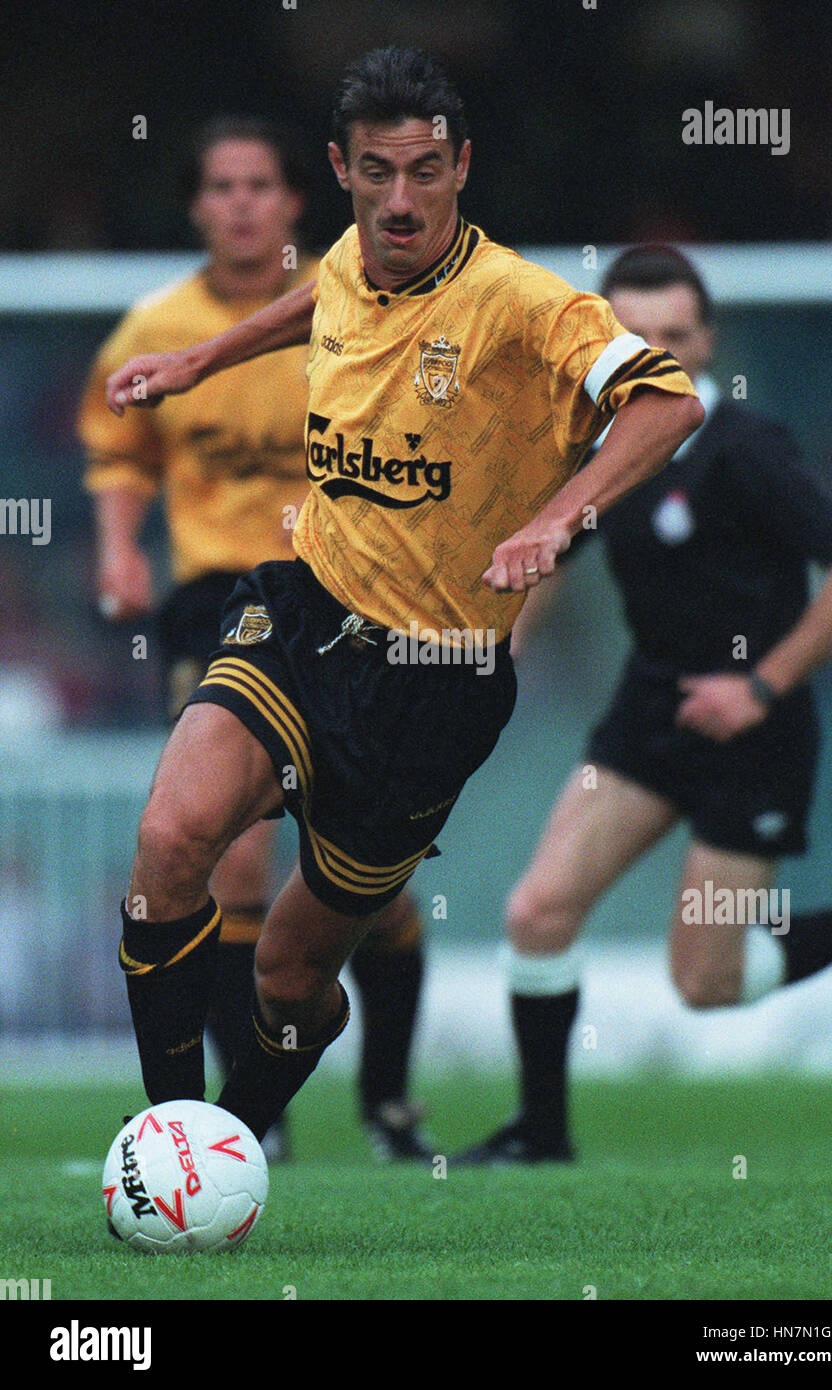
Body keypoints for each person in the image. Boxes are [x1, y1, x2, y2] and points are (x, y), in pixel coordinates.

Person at [102, 49, 702, 1151]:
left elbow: (668, 402)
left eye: (424, 171)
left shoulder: (519, 303)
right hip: (302, 611)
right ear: (339, 168)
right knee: (170, 835)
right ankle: (172, 1134)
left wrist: (553, 516)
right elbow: (311, 301)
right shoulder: (346, 255)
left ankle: (238, 1132)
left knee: (291, 978)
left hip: (432, 687)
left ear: (461, 167)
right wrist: (201, 358)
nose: (398, 199)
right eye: (375, 171)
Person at [456, 244, 832, 1165]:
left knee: (705, 986)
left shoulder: (747, 449)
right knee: (536, 913)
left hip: (756, 726)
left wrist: (759, 685)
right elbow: (542, 562)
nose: (657, 351)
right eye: (634, 335)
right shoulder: (601, 454)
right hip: (649, 715)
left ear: (706, 340)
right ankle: (541, 1133)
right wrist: (492, 653)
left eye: (675, 336)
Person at [80, 115, 432, 1161]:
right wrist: (114, 547)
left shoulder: (350, 312)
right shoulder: (154, 324)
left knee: (374, 884)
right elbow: (121, 450)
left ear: (293, 201)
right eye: (219, 186)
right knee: (226, 863)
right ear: (196, 206)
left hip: (345, 599)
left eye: (257, 185)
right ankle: (238, 1126)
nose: (238, 203)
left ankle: (388, 1105)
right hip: (216, 604)